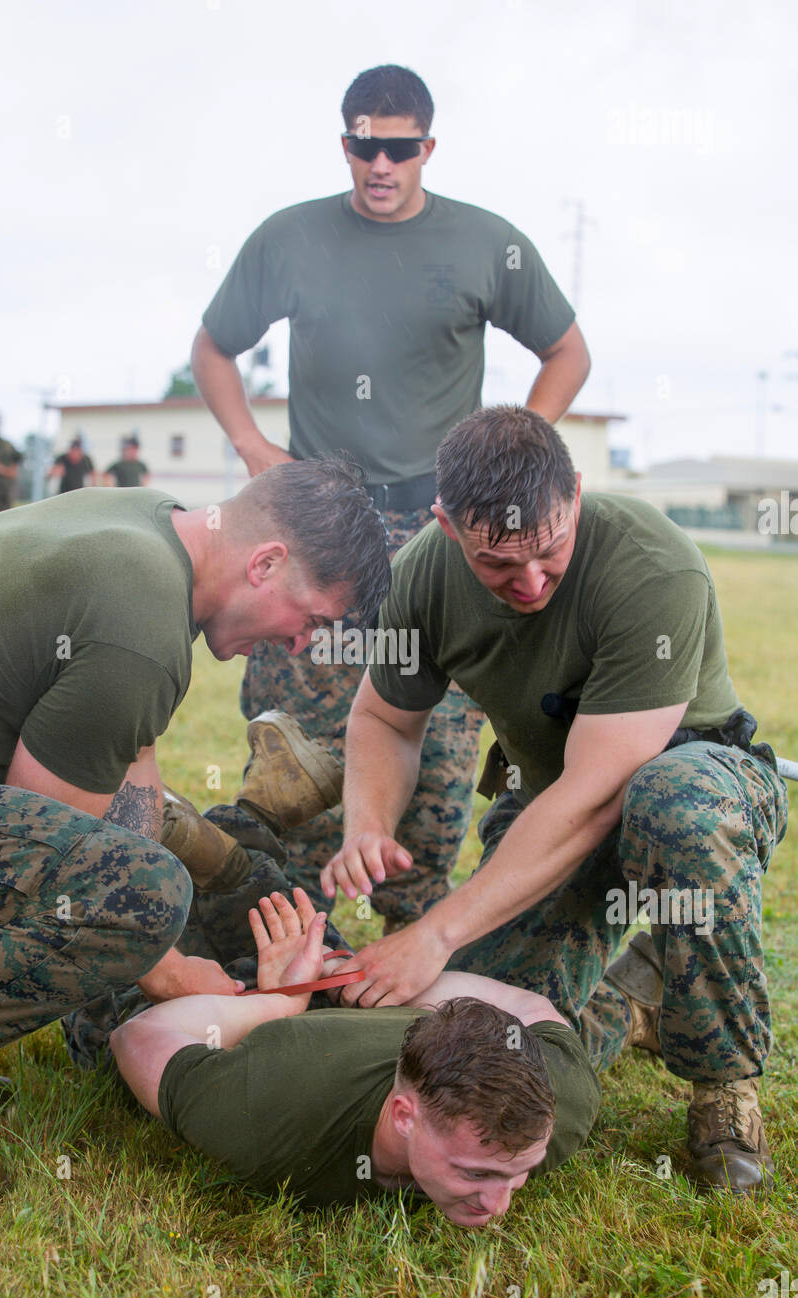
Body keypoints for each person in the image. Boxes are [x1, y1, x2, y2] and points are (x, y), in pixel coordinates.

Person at [321, 405, 789, 1195]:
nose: (530, 583)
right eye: (498, 565)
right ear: (444, 523)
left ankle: (725, 1093)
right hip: (554, 799)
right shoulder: (425, 575)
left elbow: (600, 794)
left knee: (671, 802)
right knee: (489, 1037)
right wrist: (366, 822)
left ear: (574, 492)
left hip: (697, 784)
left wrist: (434, 931)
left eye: (549, 551)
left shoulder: (654, 565)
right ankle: (632, 1000)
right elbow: (383, 719)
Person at [191, 63, 591, 933]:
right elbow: (213, 349)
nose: (381, 164)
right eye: (365, 146)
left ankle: (417, 932)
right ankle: (291, 928)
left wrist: (509, 450)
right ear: (345, 144)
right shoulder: (289, 238)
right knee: (297, 740)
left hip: (440, 524)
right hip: (321, 522)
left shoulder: (487, 243)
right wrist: (256, 447)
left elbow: (568, 351)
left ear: (427, 147)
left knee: (441, 732)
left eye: (400, 148)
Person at [0, 459, 390, 1198]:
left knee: (145, 883)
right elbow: (48, 863)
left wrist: (167, 933)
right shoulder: (140, 629)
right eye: (311, 621)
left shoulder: (157, 528)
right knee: (135, 894)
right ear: (266, 563)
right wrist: (171, 971)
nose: (303, 646)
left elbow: (129, 774)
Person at [111, 884, 601, 1226]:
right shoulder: (271, 1119)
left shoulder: (562, 1106)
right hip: (242, 1014)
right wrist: (279, 1002)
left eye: (519, 1174)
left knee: (286, 916)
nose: (499, 1206)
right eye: (477, 1173)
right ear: (405, 1116)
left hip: (321, 980)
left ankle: (244, 832)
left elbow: (528, 1008)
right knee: (110, 981)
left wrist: (357, 981)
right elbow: (137, 1036)